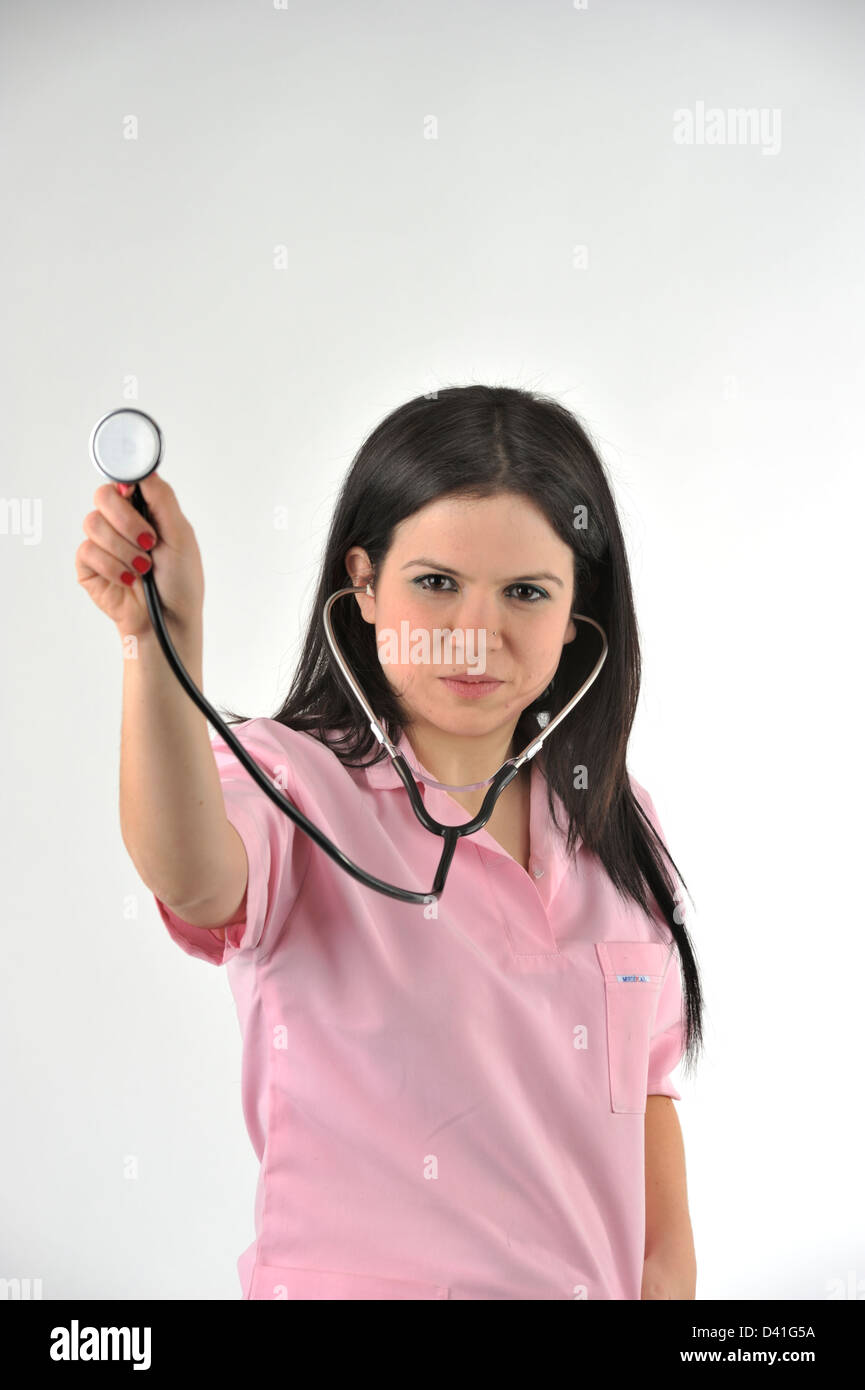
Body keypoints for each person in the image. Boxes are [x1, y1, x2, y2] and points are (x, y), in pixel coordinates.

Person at [76, 383, 702, 1300]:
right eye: (436, 583)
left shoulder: (614, 822)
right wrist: (159, 646)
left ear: (575, 616)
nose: (473, 635)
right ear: (362, 585)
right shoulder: (288, 783)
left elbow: (650, 1158)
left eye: (525, 592)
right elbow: (191, 875)